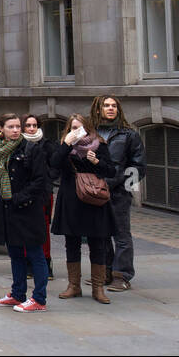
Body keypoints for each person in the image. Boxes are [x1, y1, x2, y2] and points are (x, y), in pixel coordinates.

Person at [49, 113, 118, 304]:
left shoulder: (99, 144)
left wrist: (96, 161)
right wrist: (66, 145)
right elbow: (54, 164)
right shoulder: (64, 145)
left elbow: (111, 171)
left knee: (98, 243)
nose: (77, 132)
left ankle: (98, 288)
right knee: (72, 243)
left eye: (80, 128)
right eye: (73, 128)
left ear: (87, 128)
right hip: (71, 198)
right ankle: (74, 286)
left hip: (94, 198)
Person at [0, 114, 51, 312]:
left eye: (18, 127)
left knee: (35, 253)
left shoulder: (32, 149)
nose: (16, 130)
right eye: (11, 127)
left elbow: (40, 181)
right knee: (15, 253)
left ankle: (39, 298)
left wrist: (19, 198)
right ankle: (17, 294)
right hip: (7, 210)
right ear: (1, 129)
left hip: (27, 209)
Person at [91, 94, 145, 292]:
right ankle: (105, 271)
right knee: (100, 233)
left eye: (114, 105)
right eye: (106, 105)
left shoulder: (129, 134)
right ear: (98, 109)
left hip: (119, 193)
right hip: (95, 191)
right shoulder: (91, 133)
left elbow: (138, 166)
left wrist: (125, 187)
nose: (110, 108)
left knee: (121, 234)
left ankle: (121, 275)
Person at [22, 114, 53, 277]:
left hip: (43, 192)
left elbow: (55, 165)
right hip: (25, 193)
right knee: (26, 228)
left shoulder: (46, 144)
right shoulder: (19, 144)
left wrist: (48, 177)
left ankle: (46, 263)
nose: (32, 128)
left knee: (43, 228)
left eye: (35, 125)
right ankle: (28, 263)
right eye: (28, 125)